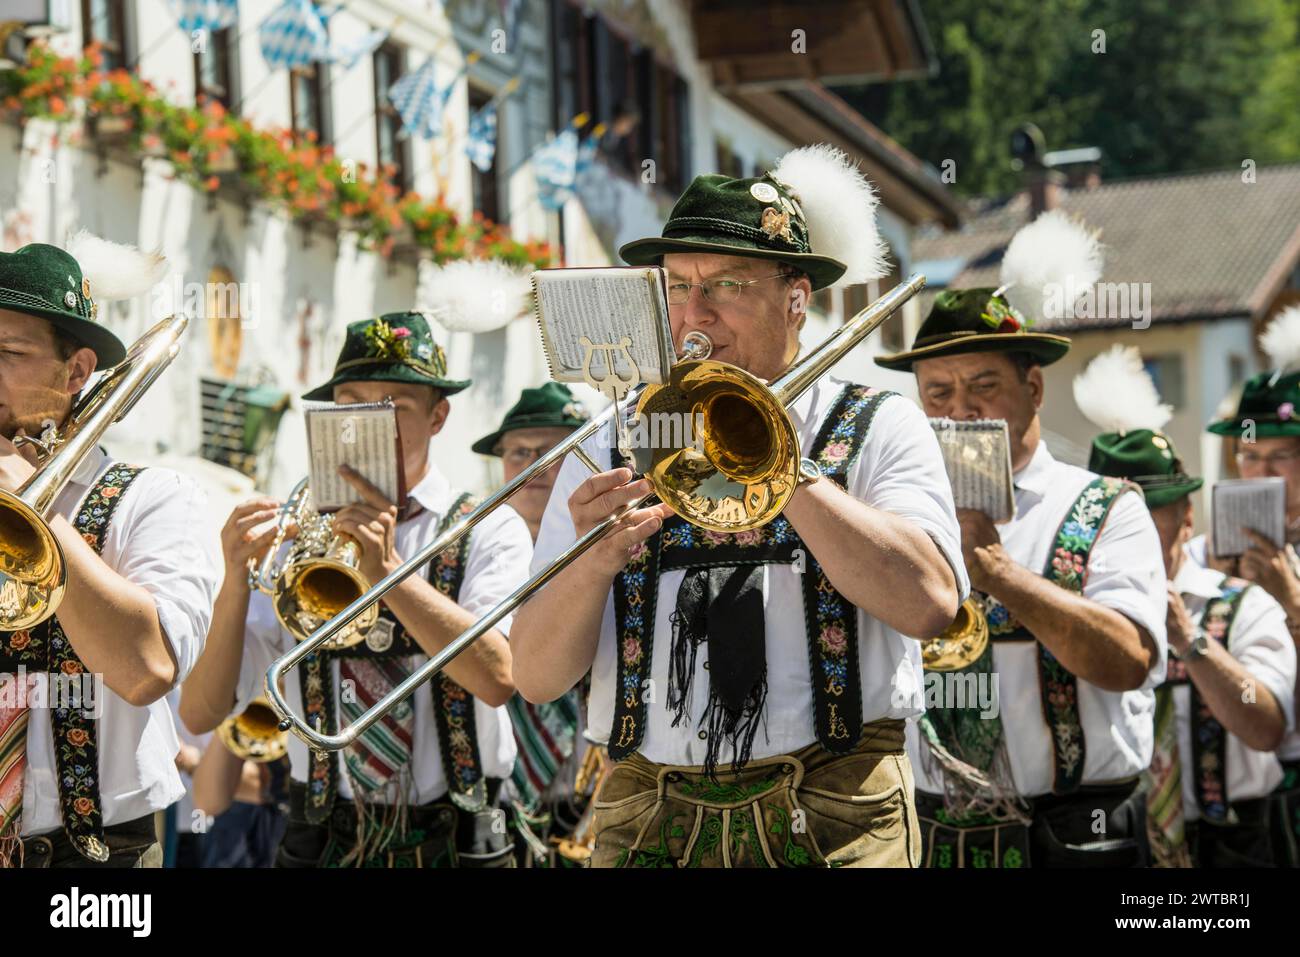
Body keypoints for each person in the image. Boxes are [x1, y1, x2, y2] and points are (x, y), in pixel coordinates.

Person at [512, 144, 967, 868]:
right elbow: (535, 676)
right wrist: (592, 563)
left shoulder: (880, 422)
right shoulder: (606, 439)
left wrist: (786, 465)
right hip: (646, 819)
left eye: (727, 284)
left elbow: (930, 602)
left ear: (797, 297)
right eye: (677, 286)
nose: (696, 314)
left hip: (834, 815)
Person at [181, 312, 532, 867]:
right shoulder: (299, 530)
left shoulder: (487, 525)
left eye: (394, 403)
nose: (369, 418)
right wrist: (235, 579)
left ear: (439, 416)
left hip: (458, 832)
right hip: (320, 832)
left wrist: (389, 568)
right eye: (351, 401)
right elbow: (202, 714)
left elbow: (497, 678)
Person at [874, 211, 1167, 867]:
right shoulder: (896, 513)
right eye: (938, 394)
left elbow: (1128, 661)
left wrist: (997, 571)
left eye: (984, 387)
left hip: (1077, 832)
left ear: (1032, 389)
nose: (960, 412)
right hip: (932, 832)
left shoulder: (1106, 505)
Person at [0, 236, 218, 867]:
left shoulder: (153, 499)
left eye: (8, 353)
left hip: (93, 858)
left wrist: (29, 508)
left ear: (76, 372)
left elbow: (145, 670)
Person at [1079, 345, 1295, 867]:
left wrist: (1194, 640)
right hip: (1121, 838)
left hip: (1237, 839)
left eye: (1152, 514)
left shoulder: (1238, 601)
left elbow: (1265, 725)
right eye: (1249, 454)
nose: (1133, 532)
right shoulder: (1076, 606)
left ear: (1187, 517)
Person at [474, 382, 594, 865]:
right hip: (495, 792)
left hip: (593, 783)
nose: (533, 464)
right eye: (518, 452)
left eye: (552, 451)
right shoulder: (475, 549)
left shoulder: (609, 540)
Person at [1199, 306, 1300, 864]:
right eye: (1249, 456)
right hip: (1225, 787)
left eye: (1278, 458)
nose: (1258, 473)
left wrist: (1292, 603)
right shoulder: (1208, 552)